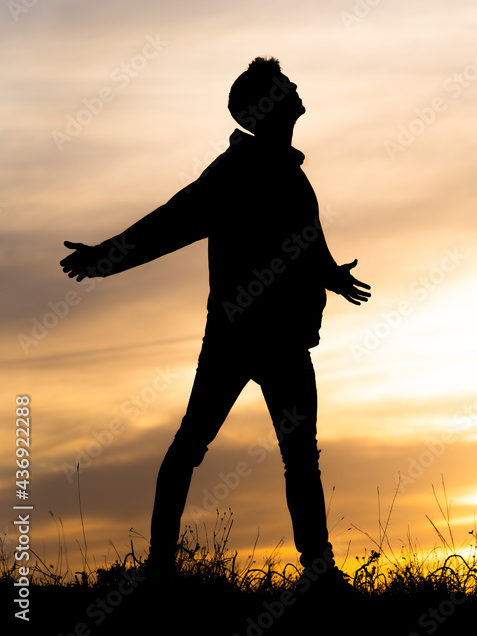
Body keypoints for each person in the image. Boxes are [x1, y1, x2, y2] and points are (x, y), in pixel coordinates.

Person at [59, 56, 370, 581]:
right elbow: (169, 223)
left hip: (286, 339)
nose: (295, 87)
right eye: (284, 84)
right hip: (237, 336)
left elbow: (304, 244)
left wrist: (330, 275)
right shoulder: (234, 174)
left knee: (297, 455)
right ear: (267, 105)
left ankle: (319, 572)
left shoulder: (291, 175)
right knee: (193, 446)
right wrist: (103, 258)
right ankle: (160, 567)